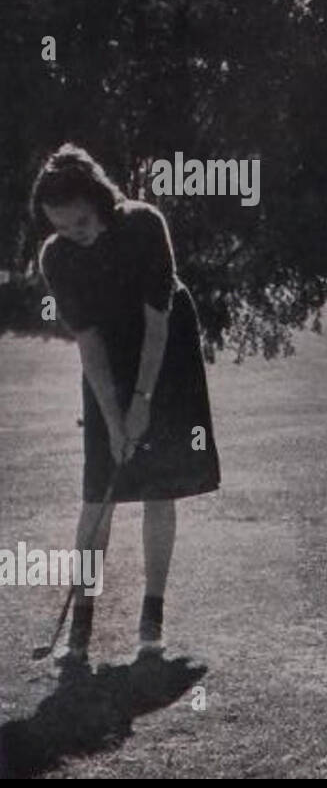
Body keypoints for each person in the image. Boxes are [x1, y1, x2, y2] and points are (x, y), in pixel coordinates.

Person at [31, 143, 221, 663]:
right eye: (63, 227)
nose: (76, 233)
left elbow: (157, 323)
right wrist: (114, 419)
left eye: (82, 221)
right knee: (99, 490)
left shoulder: (143, 225)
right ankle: (81, 631)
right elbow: (90, 344)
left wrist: (142, 402)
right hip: (110, 358)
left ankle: (151, 621)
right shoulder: (58, 257)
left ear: (100, 199)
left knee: (159, 486)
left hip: (166, 350)